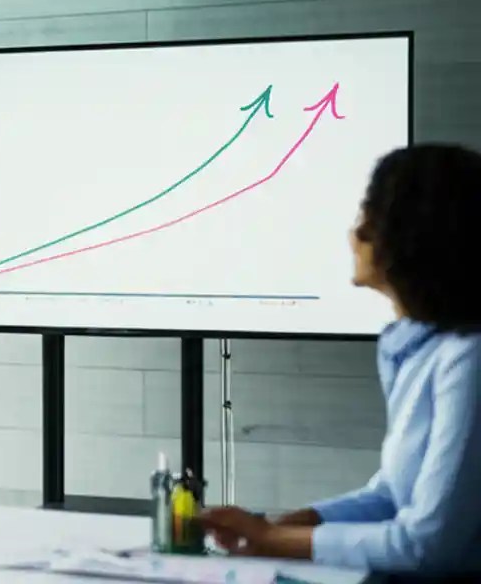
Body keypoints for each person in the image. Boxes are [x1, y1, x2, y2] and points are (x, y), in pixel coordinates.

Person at [199, 144, 481, 576]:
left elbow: (427, 544)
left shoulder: (469, 358)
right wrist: (281, 527)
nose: (355, 233)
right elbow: (391, 495)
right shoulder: (416, 346)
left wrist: (273, 540)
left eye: (368, 215)